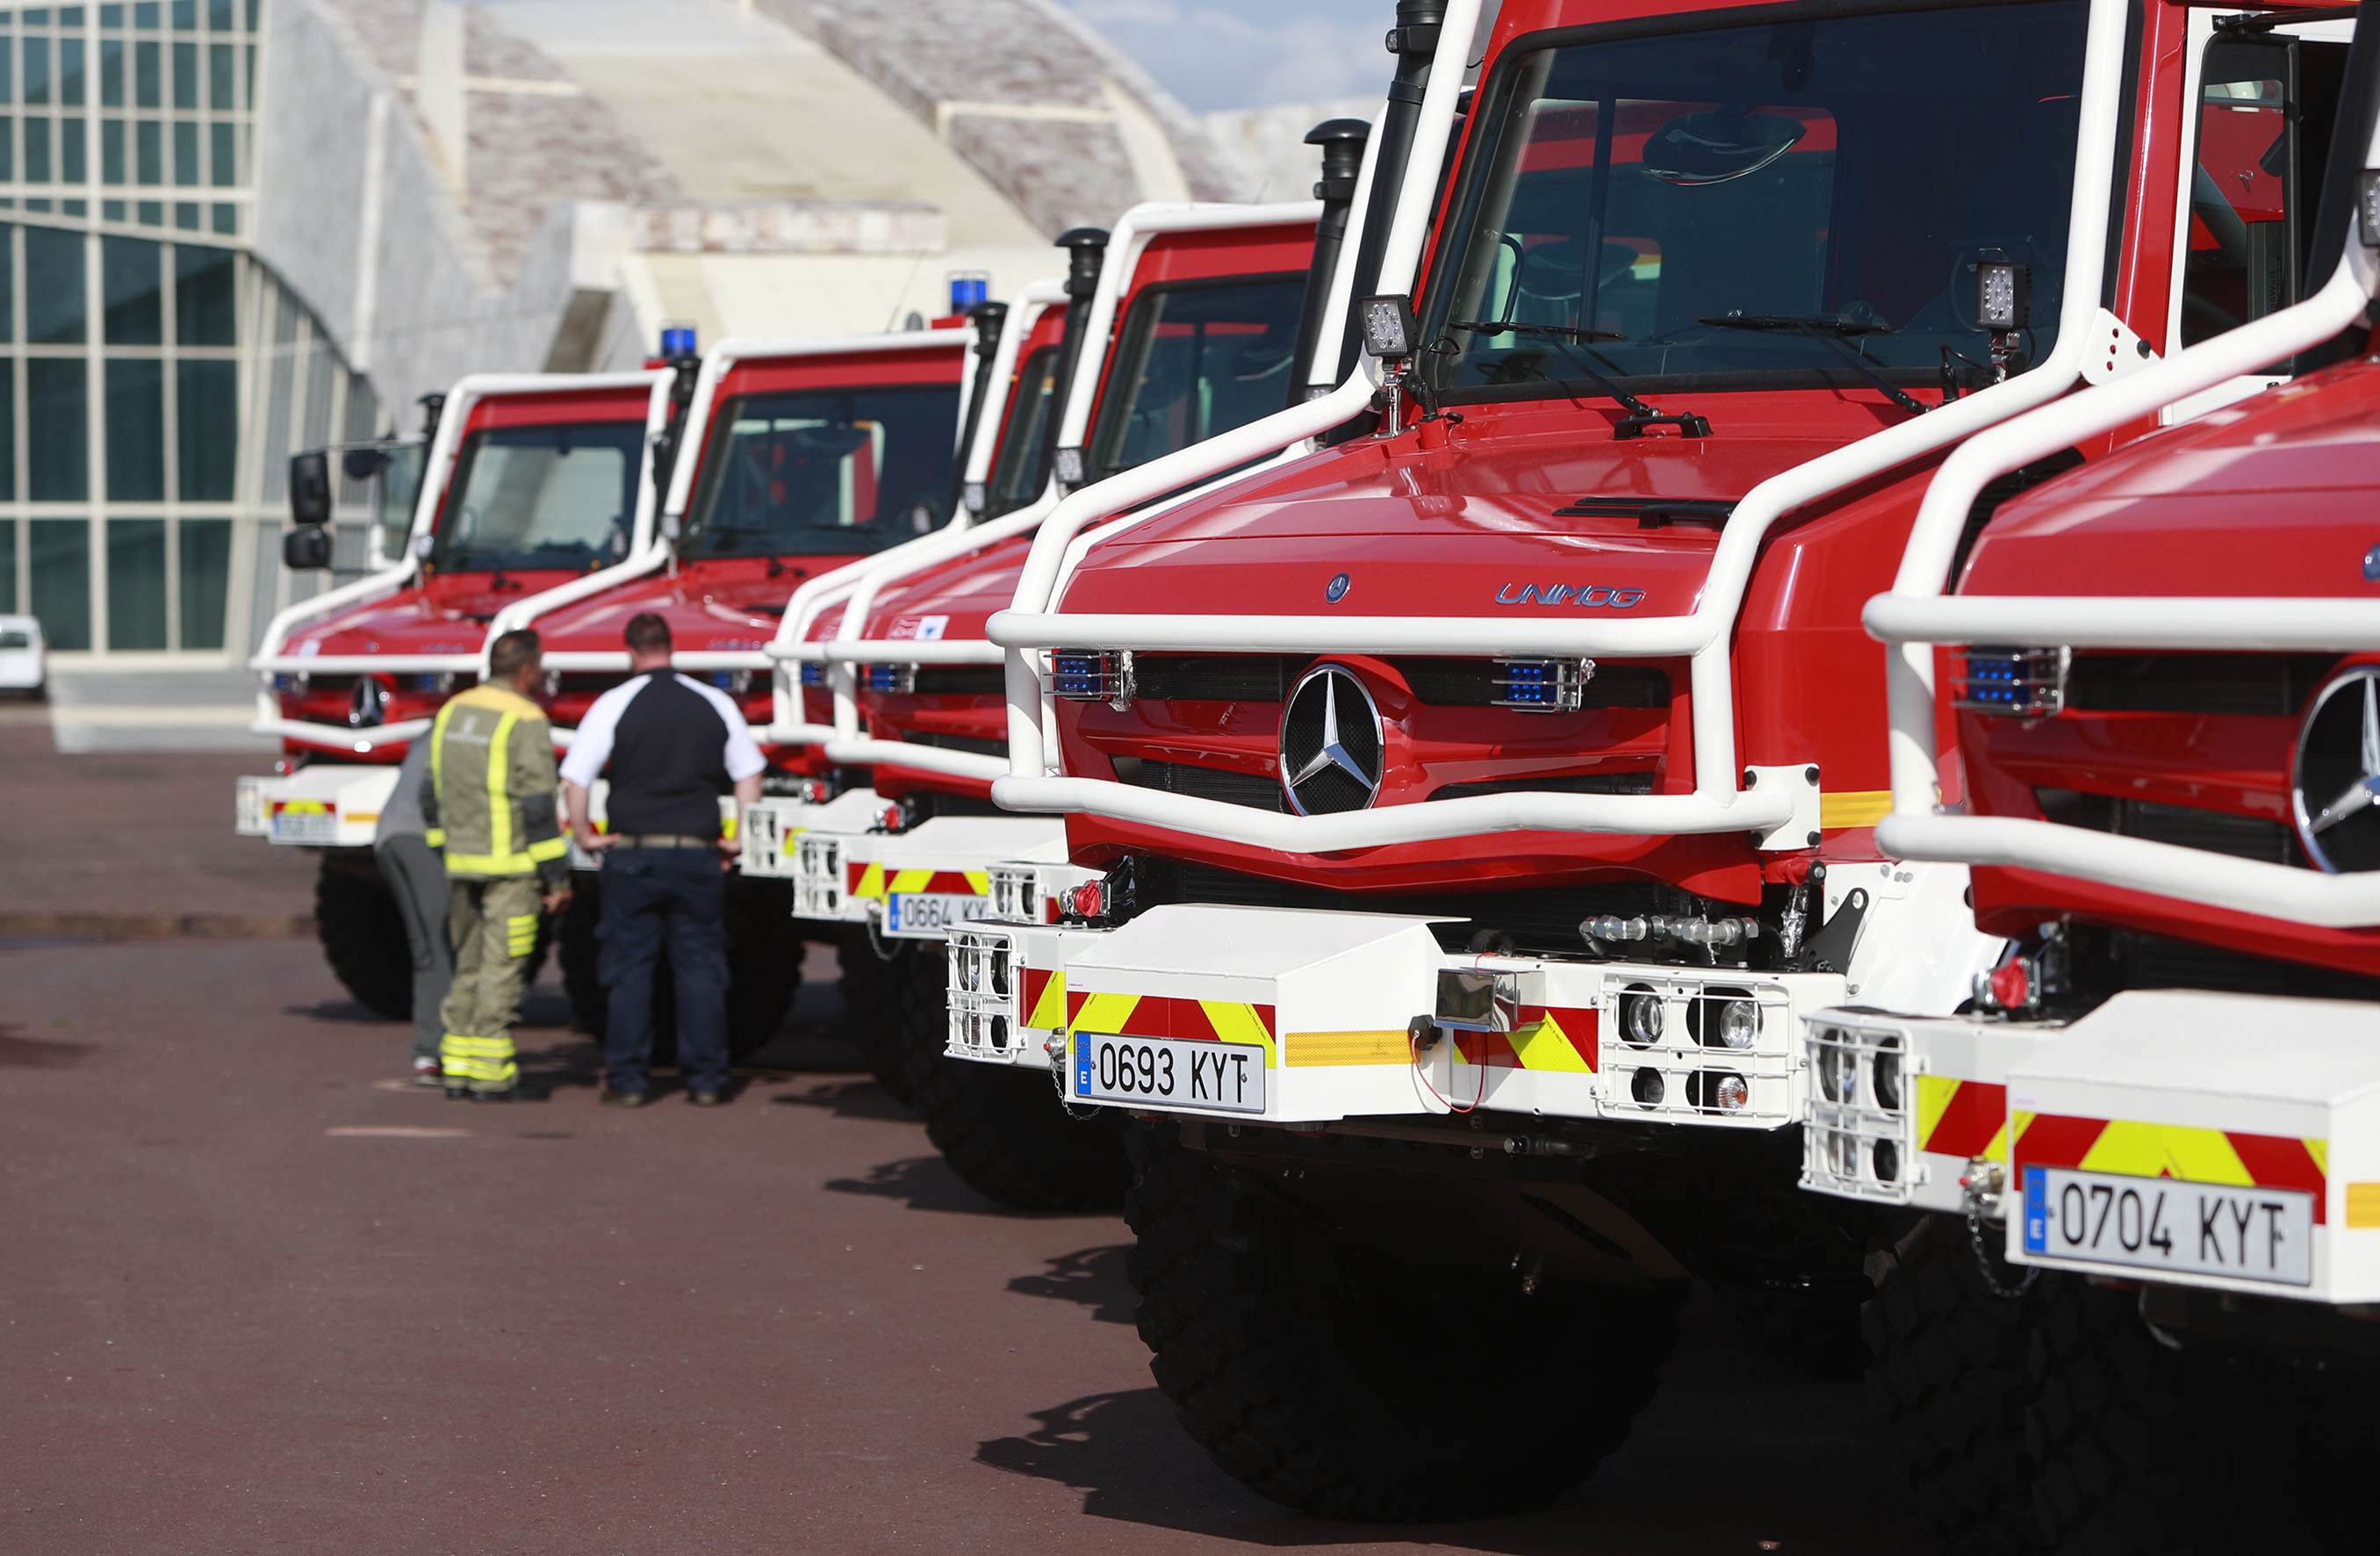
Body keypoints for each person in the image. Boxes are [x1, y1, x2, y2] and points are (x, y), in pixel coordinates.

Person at [560, 612, 765, 1107]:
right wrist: (739, 838)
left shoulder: (614, 703)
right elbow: (749, 775)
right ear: (672, 648)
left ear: (630, 651)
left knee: (629, 969)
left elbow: (576, 780)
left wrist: (586, 835)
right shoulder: (714, 702)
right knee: (701, 969)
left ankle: (629, 1080)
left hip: (633, 856)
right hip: (697, 856)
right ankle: (708, 1080)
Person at [424, 628, 572, 1100]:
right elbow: (537, 806)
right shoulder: (525, 718)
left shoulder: (453, 710)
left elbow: (430, 790)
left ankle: (457, 1066)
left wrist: (440, 847)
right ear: (528, 669)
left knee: (465, 965)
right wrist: (556, 877)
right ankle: (491, 1072)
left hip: (460, 862)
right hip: (509, 868)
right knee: (502, 966)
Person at [371, 735, 452, 1087]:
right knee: (442, 943)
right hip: (420, 837)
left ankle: (428, 1051)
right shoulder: (473, 725)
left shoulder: (436, 728)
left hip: (390, 835)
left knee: (426, 949)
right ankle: (438, 1049)